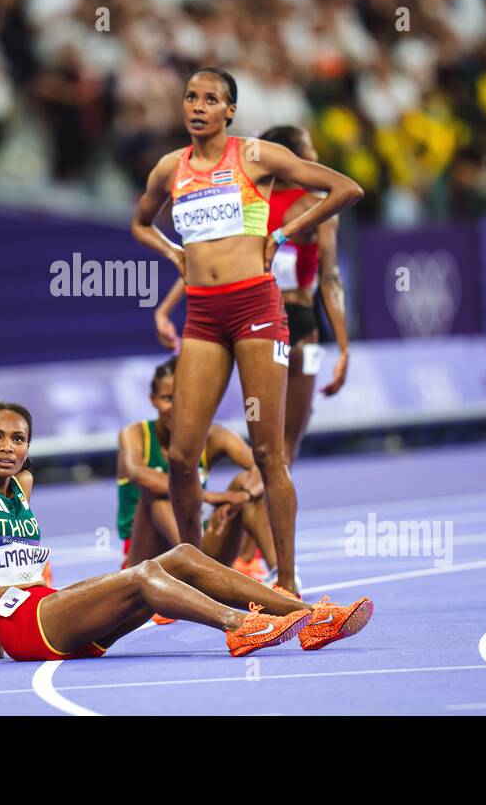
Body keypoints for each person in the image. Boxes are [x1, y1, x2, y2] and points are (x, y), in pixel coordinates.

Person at [0, 402, 372, 668]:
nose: (8, 447)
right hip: (32, 629)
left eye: (18, 438)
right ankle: (239, 625)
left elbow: (5, 565)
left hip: (52, 613)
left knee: (183, 555)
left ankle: (309, 618)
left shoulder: (23, 484)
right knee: (146, 573)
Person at [130, 68, 363, 599]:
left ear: (229, 112)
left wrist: (281, 233)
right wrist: (173, 254)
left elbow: (346, 188)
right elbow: (141, 222)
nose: (198, 106)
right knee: (184, 457)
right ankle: (195, 572)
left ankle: (285, 581)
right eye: (190, 96)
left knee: (268, 455)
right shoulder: (170, 168)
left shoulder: (254, 157)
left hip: (257, 309)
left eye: (210, 99)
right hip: (204, 316)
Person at [153, 124, 351, 465]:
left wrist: (164, 309)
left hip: (252, 321)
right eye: (310, 150)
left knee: (264, 448)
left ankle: (244, 505)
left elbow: (207, 264)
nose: (316, 157)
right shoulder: (317, 209)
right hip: (290, 325)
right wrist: (344, 347)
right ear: (292, 157)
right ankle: (251, 507)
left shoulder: (247, 201)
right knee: (283, 448)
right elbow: (330, 278)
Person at [118, 357, 277, 586]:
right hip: (144, 558)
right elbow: (139, 474)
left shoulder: (213, 436)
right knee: (159, 494)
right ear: (153, 400)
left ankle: (279, 576)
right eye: (167, 399)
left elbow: (263, 467)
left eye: (183, 398)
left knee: (246, 481)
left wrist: (244, 496)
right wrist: (210, 496)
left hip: (197, 542)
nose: (176, 407)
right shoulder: (134, 435)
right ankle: (190, 571)